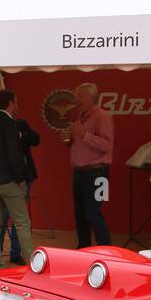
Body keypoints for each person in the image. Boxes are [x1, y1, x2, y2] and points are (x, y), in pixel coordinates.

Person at [0, 88, 38, 268]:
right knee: (22, 222)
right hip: (10, 181)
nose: (17, 105)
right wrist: (19, 179)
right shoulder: (11, 125)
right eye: (16, 101)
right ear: (10, 103)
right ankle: (30, 262)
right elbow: (14, 155)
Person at [60, 81, 114, 247]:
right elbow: (81, 144)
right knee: (81, 215)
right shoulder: (81, 117)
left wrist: (84, 134)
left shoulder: (102, 116)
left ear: (90, 98)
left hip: (98, 173)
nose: (76, 100)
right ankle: (83, 248)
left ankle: (105, 249)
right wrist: (68, 140)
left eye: (79, 96)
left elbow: (107, 146)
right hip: (80, 173)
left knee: (93, 213)